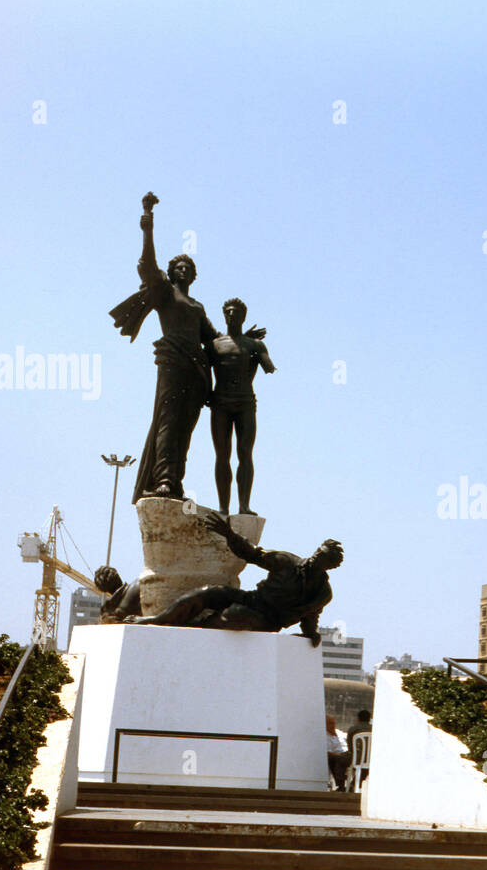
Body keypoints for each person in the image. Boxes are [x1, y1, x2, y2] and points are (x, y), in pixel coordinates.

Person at [111, 193, 219, 502]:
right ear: (172, 273)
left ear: (194, 275)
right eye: (179, 266)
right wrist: (148, 224)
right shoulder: (166, 293)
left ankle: (176, 482)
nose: (183, 269)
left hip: (197, 371)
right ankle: (163, 479)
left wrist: (242, 339)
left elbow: (213, 339)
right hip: (172, 362)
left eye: (188, 267)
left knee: (185, 430)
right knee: (168, 422)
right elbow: (148, 265)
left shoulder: (197, 307)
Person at [133, 510, 343, 638]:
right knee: (208, 593)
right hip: (252, 599)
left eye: (323, 558)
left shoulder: (323, 593)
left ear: (329, 566)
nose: (316, 557)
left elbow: (311, 615)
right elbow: (252, 554)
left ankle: (191, 630)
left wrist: (310, 634)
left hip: (268, 620)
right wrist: (229, 535)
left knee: (235, 616)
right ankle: (157, 620)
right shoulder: (287, 562)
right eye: (318, 552)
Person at [210, 298, 275, 515]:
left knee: (245, 453)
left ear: (243, 316)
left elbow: (269, 366)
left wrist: (256, 349)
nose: (231, 315)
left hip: (245, 402)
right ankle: (223, 508)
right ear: (223, 315)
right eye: (228, 312)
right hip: (220, 402)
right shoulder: (215, 344)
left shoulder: (254, 345)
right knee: (222, 454)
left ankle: (244, 505)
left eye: (236, 312)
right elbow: (200, 369)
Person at [345, 709, 372, 784]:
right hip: (371, 759)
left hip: (356, 759)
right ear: (369, 719)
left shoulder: (353, 729)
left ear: (358, 718)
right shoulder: (375, 729)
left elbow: (350, 748)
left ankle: (341, 786)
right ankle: (355, 783)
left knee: (339, 761)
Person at [326, 715, 349, 791]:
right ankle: (341, 786)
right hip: (338, 757)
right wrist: (339, 755)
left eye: (333, 723)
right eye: (330, 723)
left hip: (349, 755)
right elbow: (327, 753)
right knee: (334, 759)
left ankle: (350, 785)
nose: (333, 725)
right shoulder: (325, 736)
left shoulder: (339, 732)